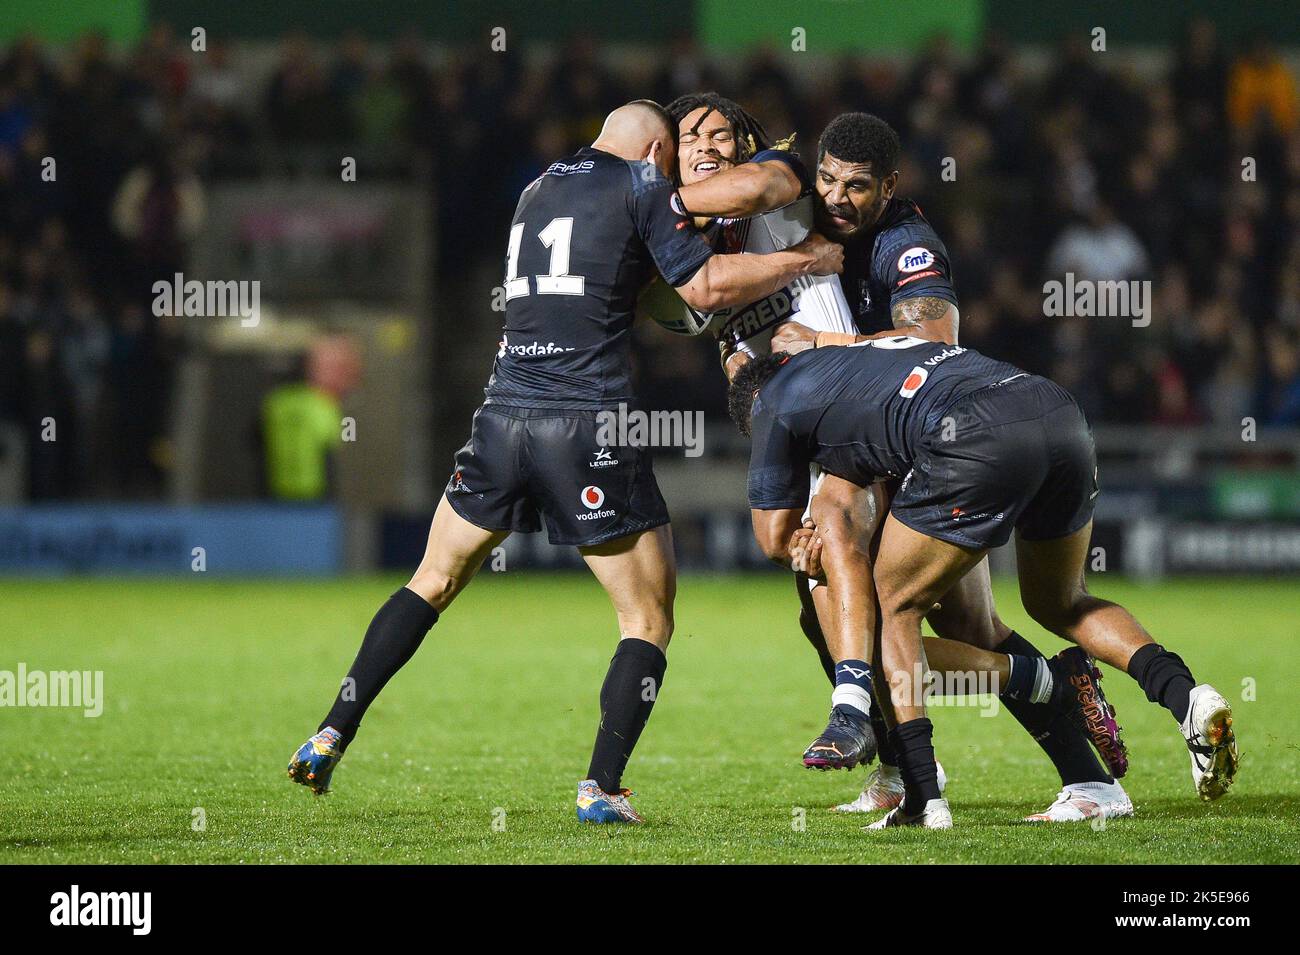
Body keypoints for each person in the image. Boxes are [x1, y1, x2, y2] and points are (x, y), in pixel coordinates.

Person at [286, 101, 844, 824]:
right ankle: (601, 788)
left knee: (431, 579)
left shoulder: (538, 188)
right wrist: (806, 258)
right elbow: (703, 289)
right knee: (647, 617)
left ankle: (330, 730)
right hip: (586, 422)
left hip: (501, 415)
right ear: (653, 153)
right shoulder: (645, 185)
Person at [678, 106, 1131, 821]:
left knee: (862, 609)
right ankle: (1017, 753)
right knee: (898, 620)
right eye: (689, 141)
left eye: (719, 137)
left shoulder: (782, 187)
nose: (706, 149)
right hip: (825, 421)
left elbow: (931, 332)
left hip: (885, 428)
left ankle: (1010, 709)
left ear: (747, 146)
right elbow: (720, 325)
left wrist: (663, 194)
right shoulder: (702, 241)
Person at [730, 336, 1239, 829]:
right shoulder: (850, 360)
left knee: (888, 609)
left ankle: (923, 796)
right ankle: (1184, 699)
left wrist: (800, 547)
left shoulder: (772, 401)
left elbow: (774, 537)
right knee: (1062, 601)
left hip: (970, 436)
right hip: (1055, 411)